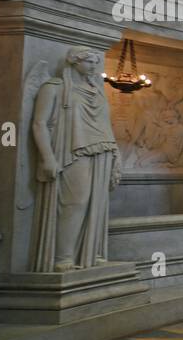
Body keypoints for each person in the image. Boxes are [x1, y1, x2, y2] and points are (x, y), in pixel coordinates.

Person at [29, 47, 121, 271]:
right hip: (73, 151)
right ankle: (64, 257)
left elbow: (106, 126)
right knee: (75, 202)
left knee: (97, 204)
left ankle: (90, 253)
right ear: (74, 63)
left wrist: (116, 156)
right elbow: (39, 123)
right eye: (88, 61)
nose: (93, 66)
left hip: (103, 151)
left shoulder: (97, 91)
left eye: (95, 62)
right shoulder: (55, 88)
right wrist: (47, 158)